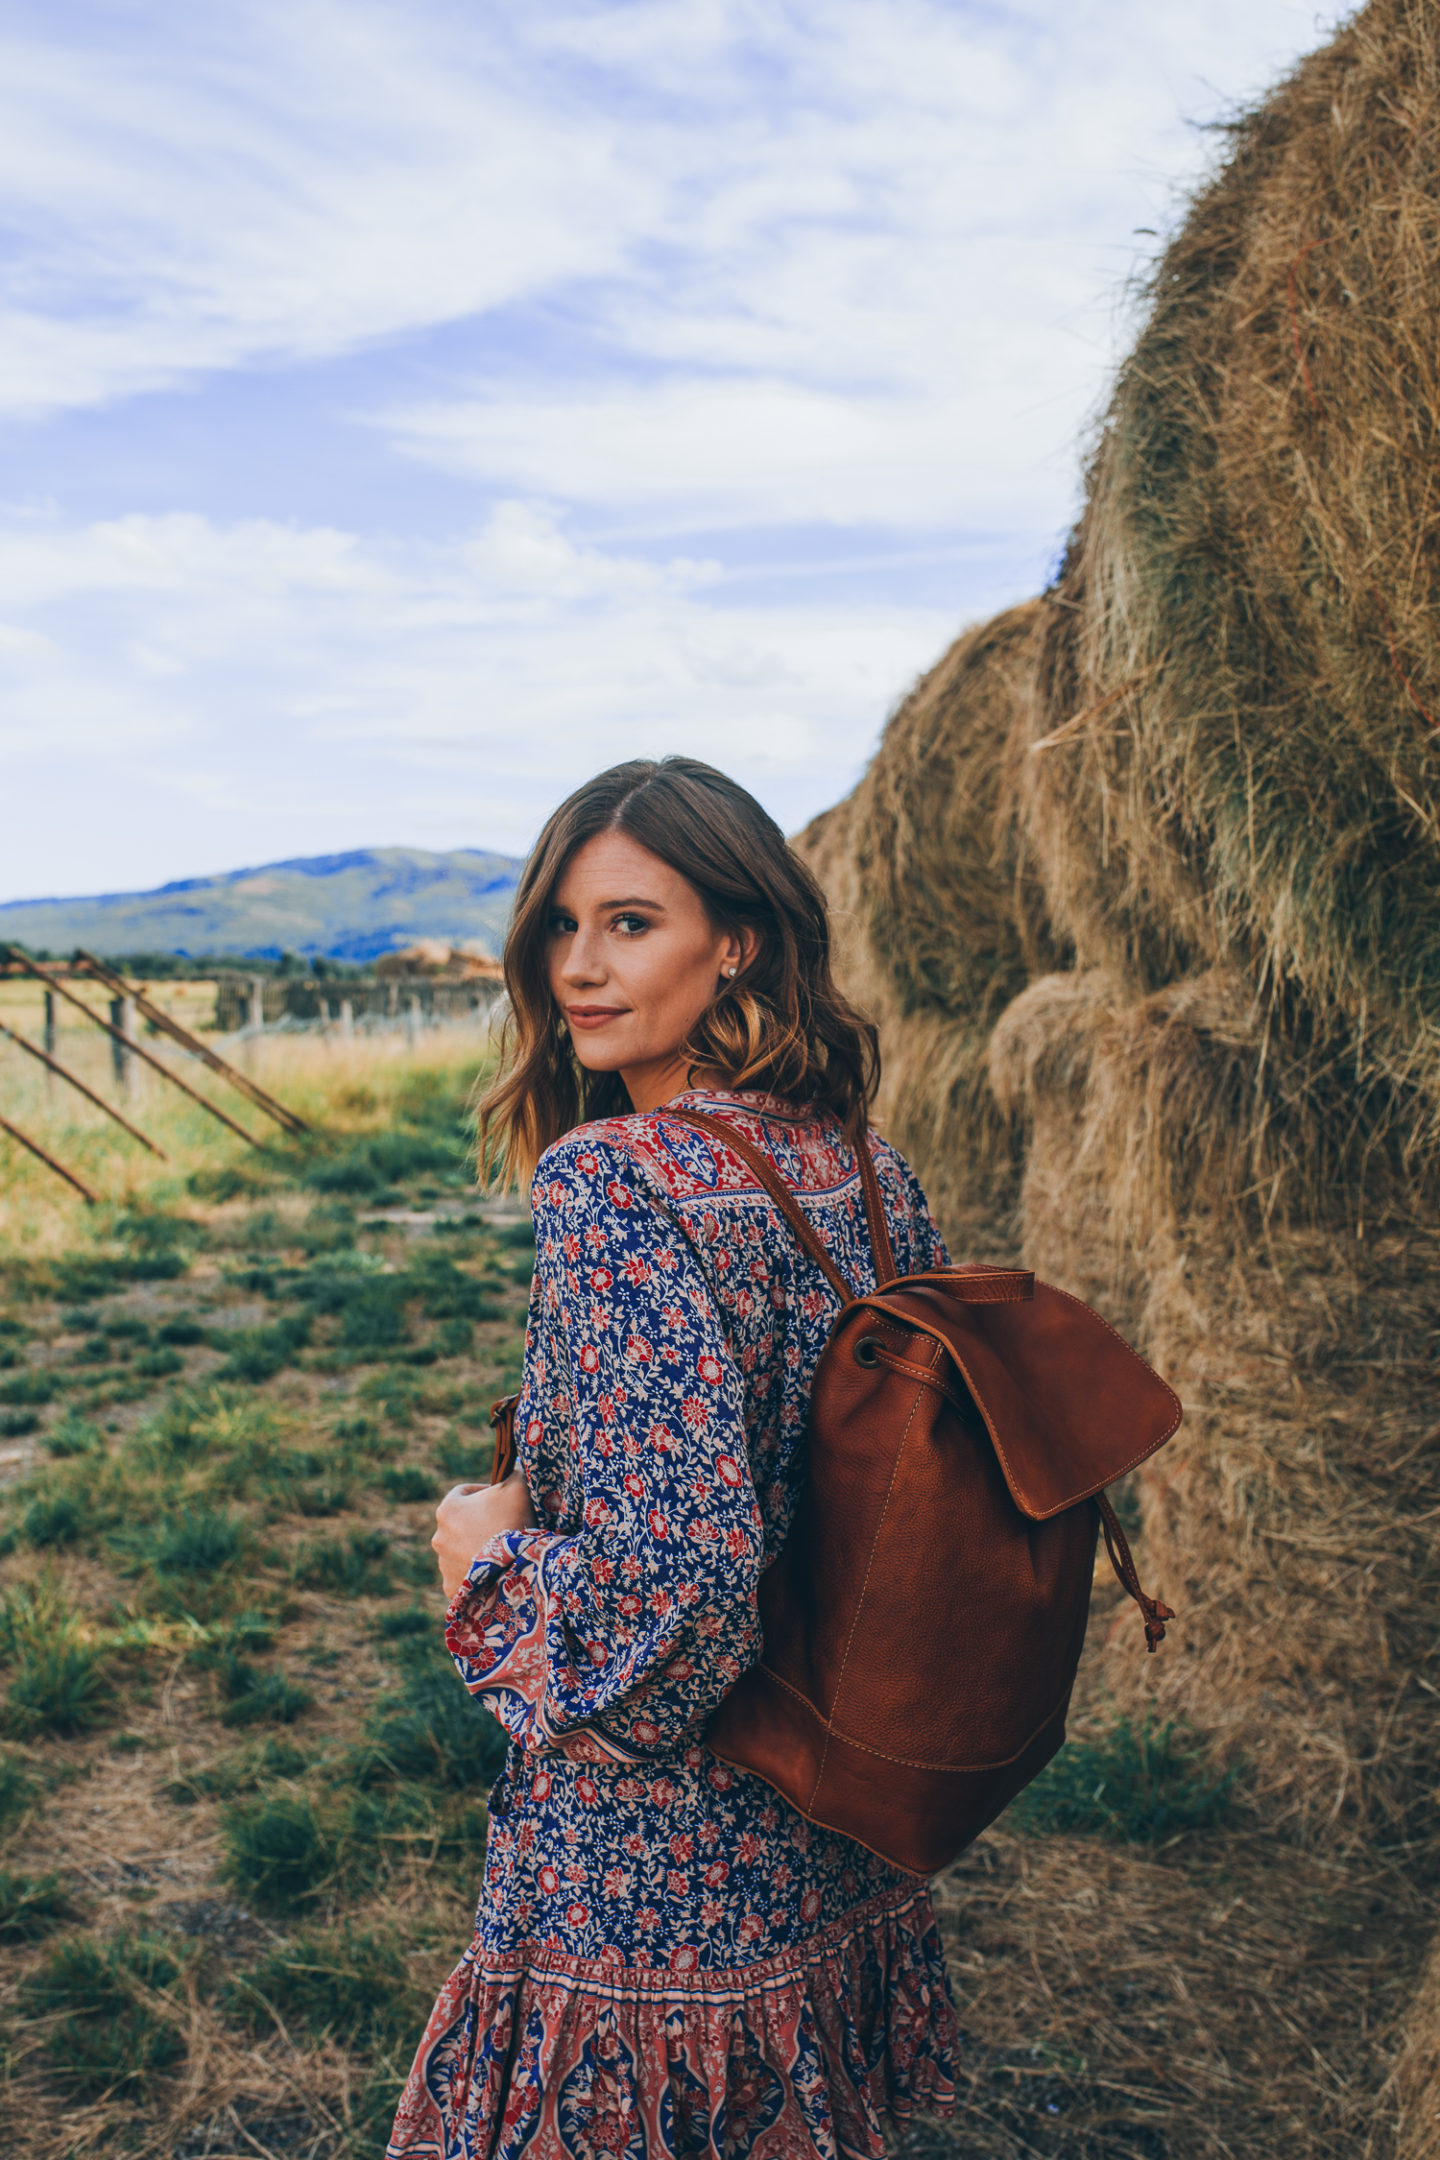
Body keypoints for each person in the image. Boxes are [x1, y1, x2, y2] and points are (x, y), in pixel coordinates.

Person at [387, 757, 959, 2160]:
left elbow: (684, 1586)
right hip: (835, 1790)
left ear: (739, 941)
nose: (579, 969)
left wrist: (491, 1566)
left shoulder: (616, 1183)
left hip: (664, 1863)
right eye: (561, 927)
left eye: (630, 924)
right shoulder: (864, 1165)